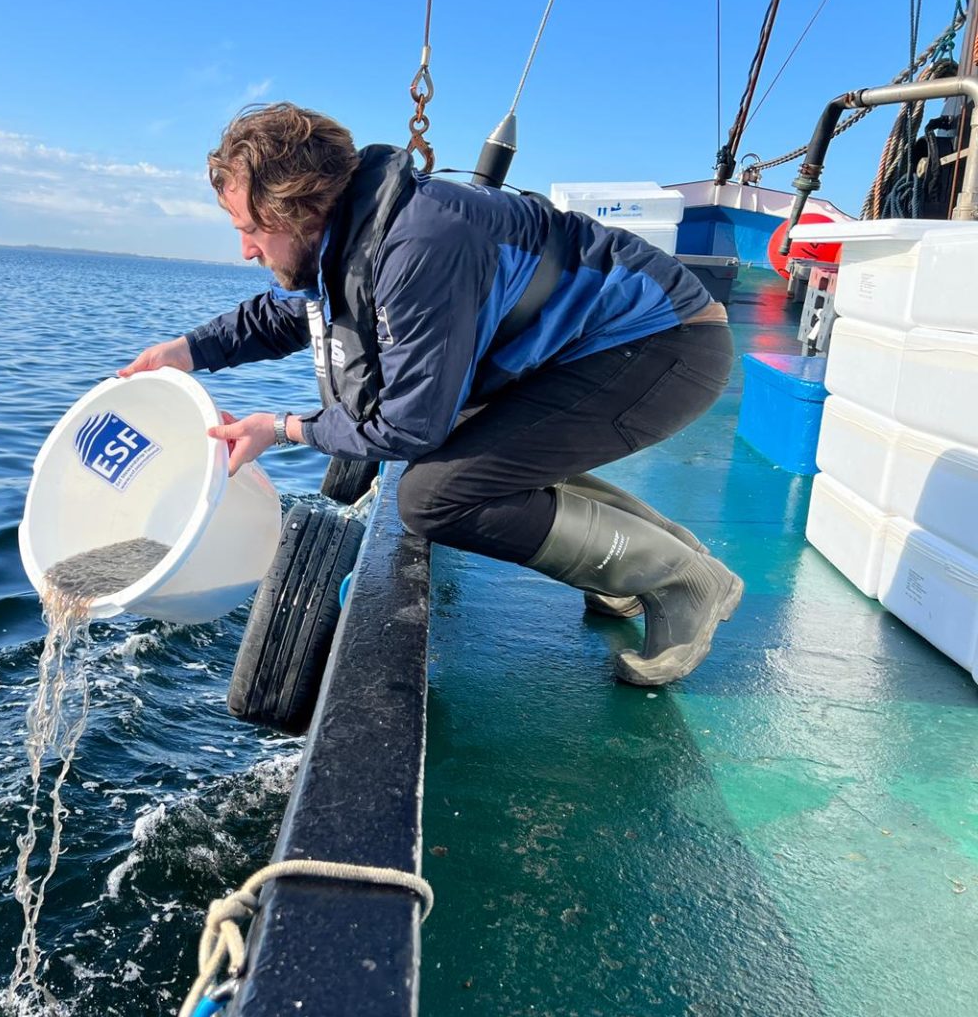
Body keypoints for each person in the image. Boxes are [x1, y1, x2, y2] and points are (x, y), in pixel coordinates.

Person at [120, 103, 741, 686]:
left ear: (299, 210)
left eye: (251, 228)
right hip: (599, 352)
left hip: (664, 348)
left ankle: (682, 581)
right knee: (467, 459)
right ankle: (643, 561)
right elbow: (284, 316)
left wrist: (284, 428)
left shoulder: (422, 244)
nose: (245, 249)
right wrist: (186, 351)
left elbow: (411, 427)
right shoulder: (351, 239)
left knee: (435, 497)